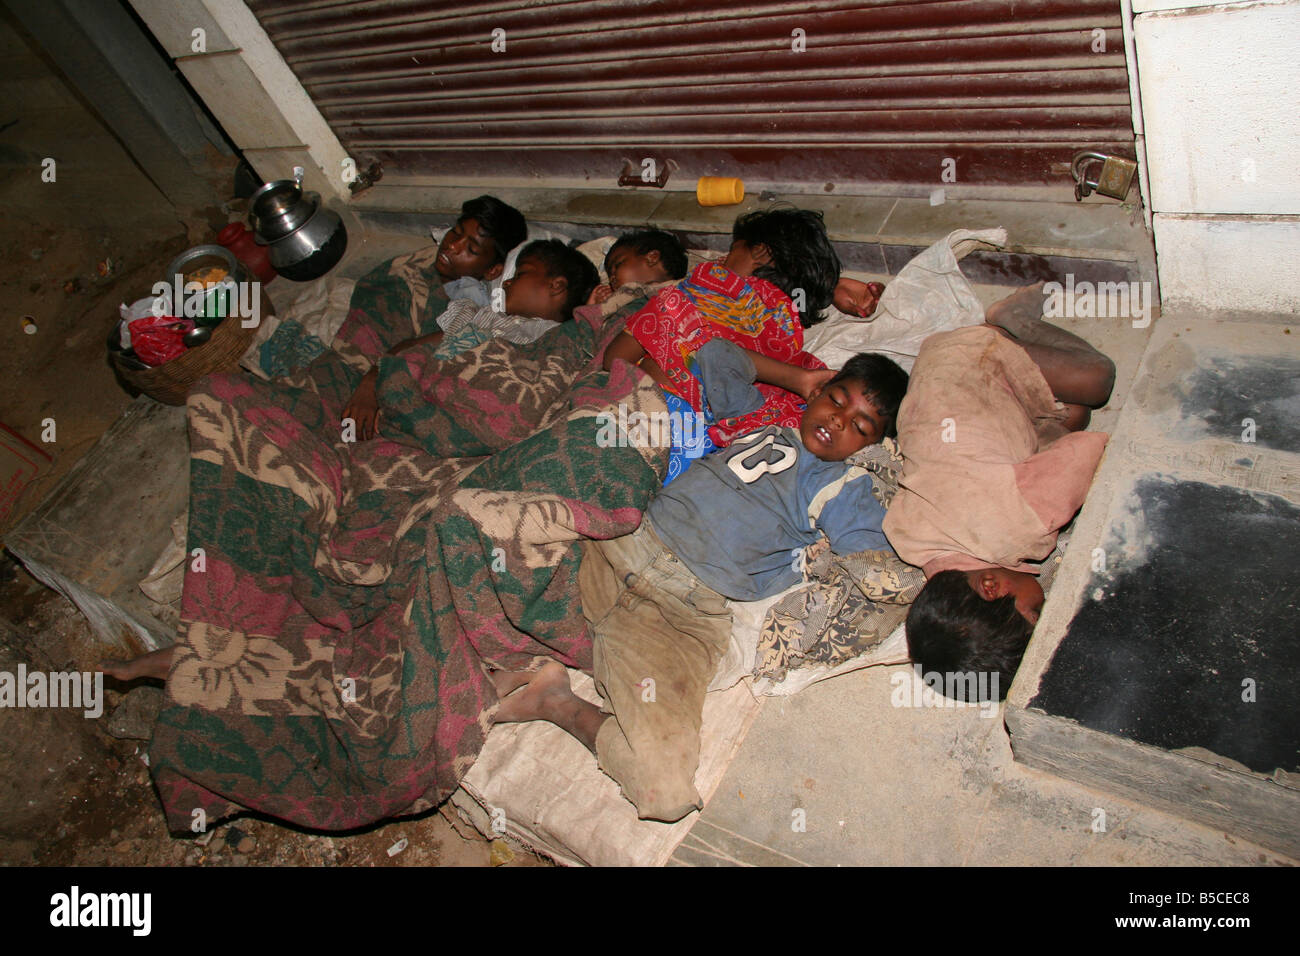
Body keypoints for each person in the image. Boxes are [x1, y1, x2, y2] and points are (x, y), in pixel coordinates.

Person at [487, 344, 910, 821]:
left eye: (860, 426)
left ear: (872, 446)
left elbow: (881, 564)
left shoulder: (844, 486)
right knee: (490, 534)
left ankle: (555, 701)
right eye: (837, 399)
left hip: (679, 617)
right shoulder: (762, 422)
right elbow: (717, 357)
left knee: (664, 792)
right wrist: (800, 378)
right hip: (618, 544)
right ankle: (568, 645)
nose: (837, 420)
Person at [887, 283, 1117, 701]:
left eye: (1035, 611)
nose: (1042, 600)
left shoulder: (1024, 525)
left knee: (1095, 381)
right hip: (932, 370)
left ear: (990, 586)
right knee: (1075, 413)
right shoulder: (908, 541)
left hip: (973, 355)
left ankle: (1011, 322)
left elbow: (1096, 449)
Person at [341, 239, 599, 440]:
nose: (506, 284)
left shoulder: (562, 338)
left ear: (556, 286)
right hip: (428, 407)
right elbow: (412, 349)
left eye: (521, 274)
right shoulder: (482, 318)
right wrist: (370, 384)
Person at [588, 229, 689, 306]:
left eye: (618, 265)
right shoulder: (621, 303)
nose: (611, 279)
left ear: (652, 258)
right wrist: (596, 307)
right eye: (610, 275)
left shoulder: (686, 293)